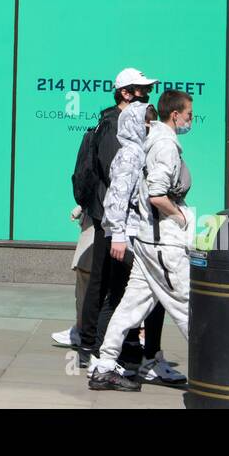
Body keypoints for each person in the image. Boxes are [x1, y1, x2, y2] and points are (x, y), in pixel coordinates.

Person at [89, 90, 195, 392]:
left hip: (150, 239)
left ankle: (105, 364)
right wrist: (180, 217)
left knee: (131, 306)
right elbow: (152, 195)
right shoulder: (159, 145)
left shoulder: (145, 146)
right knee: (188, 305)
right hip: (163, 242)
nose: (148, 123)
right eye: (189, 114)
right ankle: (217, 368)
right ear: (176, 115)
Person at [76, 67, 166, 371]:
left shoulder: (120, 124)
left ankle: (103, 346)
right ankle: (93, 347)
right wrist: (118, 229)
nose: (147, 95)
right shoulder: (116, 127)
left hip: (111, 219)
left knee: (110, 283)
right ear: (125, 93)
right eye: (141, 90)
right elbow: (119, 182)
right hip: (112, 221)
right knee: (107, 284)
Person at [50, 205, 93, 349]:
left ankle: (81, 331)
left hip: (97, 228)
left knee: (86, 279)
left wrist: (82, 206)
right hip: (98, 224)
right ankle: (81, 329)